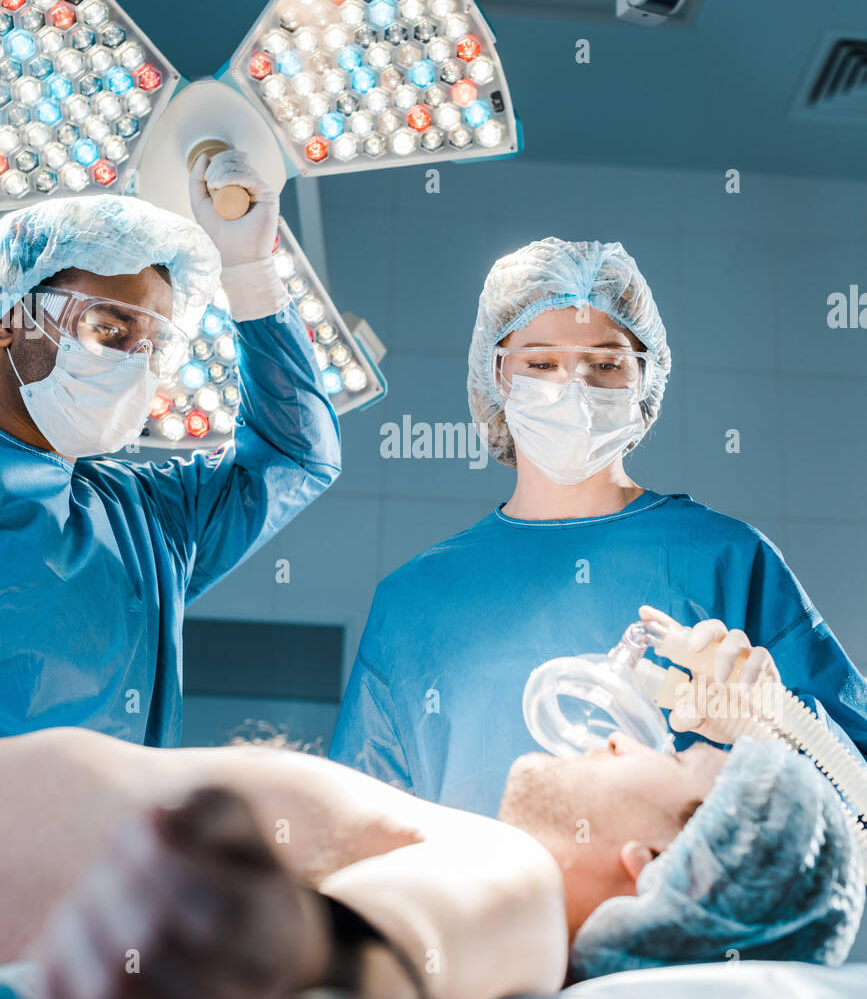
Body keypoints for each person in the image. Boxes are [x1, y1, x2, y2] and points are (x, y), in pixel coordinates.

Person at [0, 711, 861, 999]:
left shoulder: (518, 884)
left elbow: (364, 951)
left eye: (669, 759)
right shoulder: (513, 908)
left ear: (656, 863)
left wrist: (282, 944)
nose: (614, 737)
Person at [330, 237, 867, 815]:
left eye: (607, 364)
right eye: (541, 364)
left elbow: (856, 789)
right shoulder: (412, 603)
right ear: (496, 375)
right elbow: (356, 829)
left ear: (645, 380)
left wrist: (779, 736)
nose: (574, 389)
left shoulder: (728, 560)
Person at [0, 150, 341, 743]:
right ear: (11, 318)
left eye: (153, 347)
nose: (133, 363)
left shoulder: (148, 517)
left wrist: (250, 272)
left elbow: (297, 456)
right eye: (109, 328)